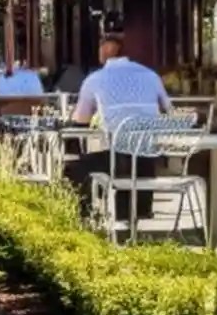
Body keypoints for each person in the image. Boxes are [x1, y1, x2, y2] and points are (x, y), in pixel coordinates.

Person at [62, 34, 174, 221]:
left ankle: (87, 220)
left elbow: (81, 121)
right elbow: (169, 112)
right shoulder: (151, 75)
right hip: (148, 159)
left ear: (103, 52)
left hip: (118, 158)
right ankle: (142, 209)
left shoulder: (95, 79)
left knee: (73, 167)